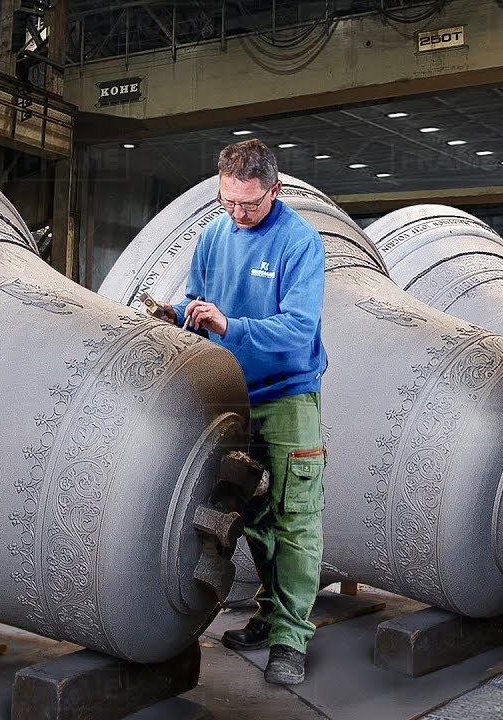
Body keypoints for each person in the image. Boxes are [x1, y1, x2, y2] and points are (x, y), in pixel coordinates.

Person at [148, 139, 327, 685]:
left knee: (295, 518)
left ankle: (291, 639)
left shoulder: (300, 242)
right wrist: (177, 311)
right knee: (251, 514)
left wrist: (232, 327)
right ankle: (268, 614)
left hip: (287, 394)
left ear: (275, 189)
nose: (237, 213)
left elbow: (298, 333)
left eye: (248, 204)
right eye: (228, 202)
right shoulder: (212, 235)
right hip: (232, 395)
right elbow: (205, 306)